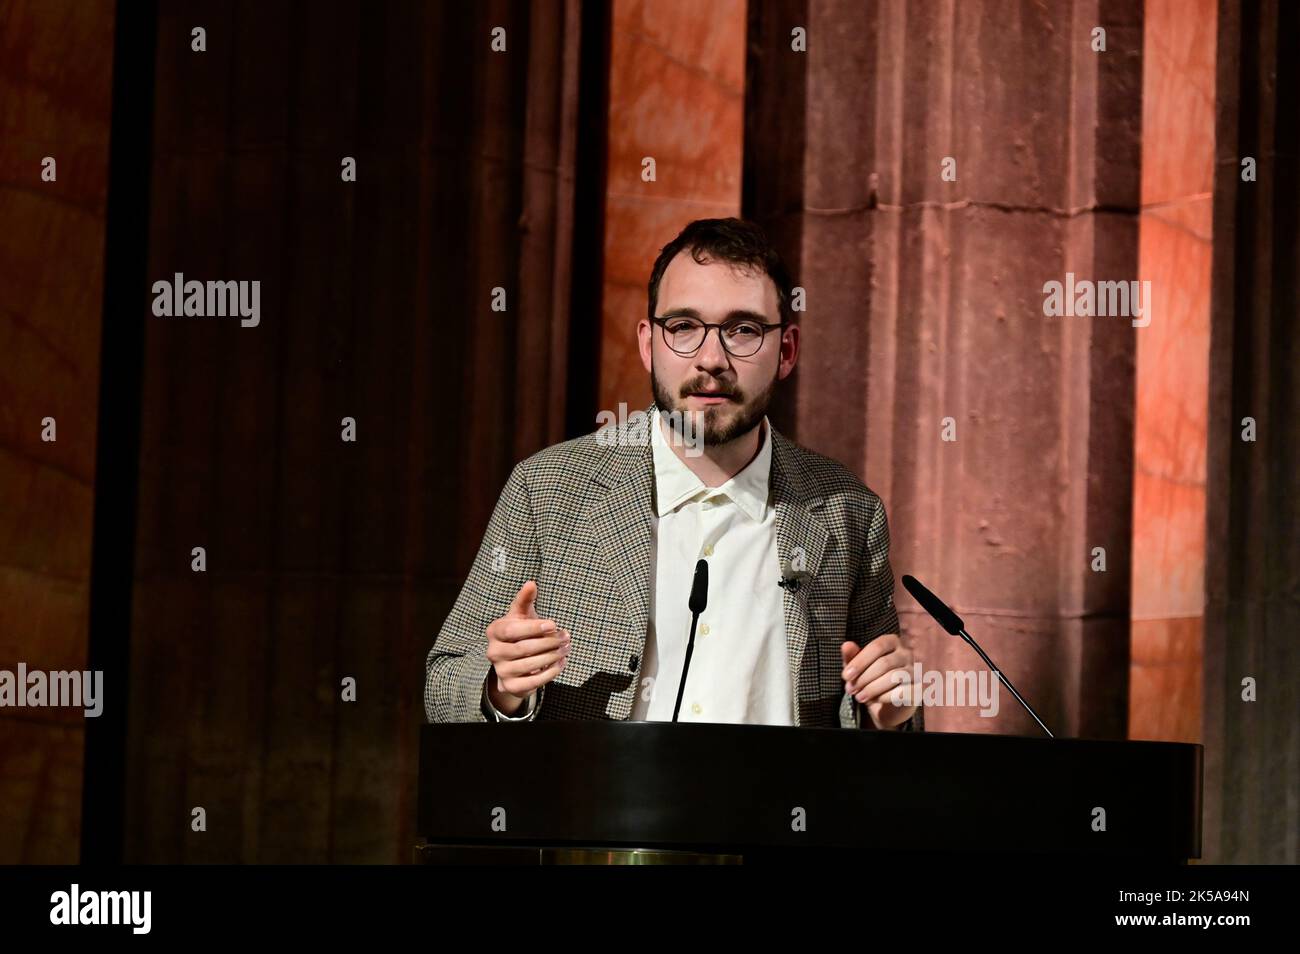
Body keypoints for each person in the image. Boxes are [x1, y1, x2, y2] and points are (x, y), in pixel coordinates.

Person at [424, 217, 922, 731]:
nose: (711, 359)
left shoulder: (848, 512)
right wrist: (501, 687)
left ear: (786, 351)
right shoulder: (547, 488)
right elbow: (443, 688)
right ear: (647, 344)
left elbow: (888, 711)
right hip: (597, 809)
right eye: (684, 327)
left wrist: (889, 716)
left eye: (743, 330)